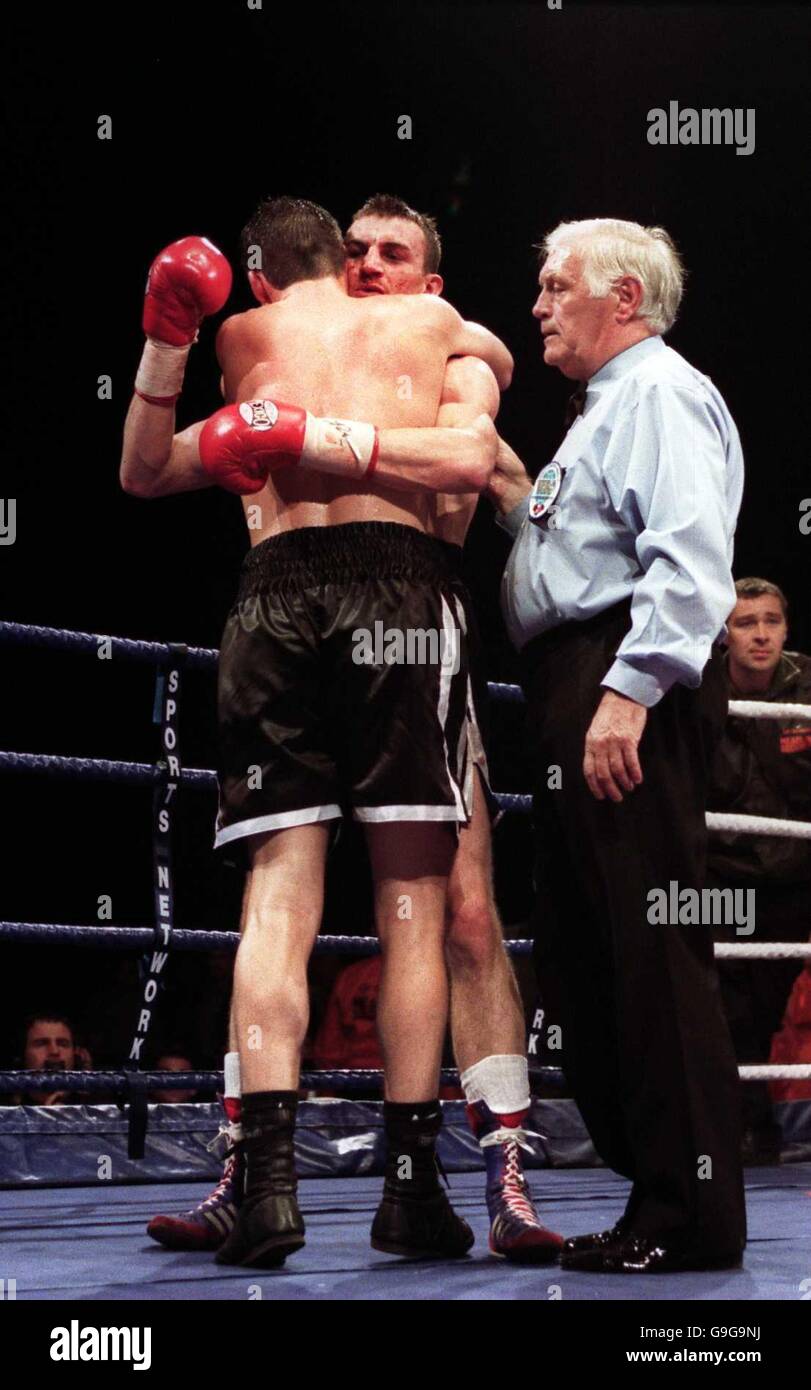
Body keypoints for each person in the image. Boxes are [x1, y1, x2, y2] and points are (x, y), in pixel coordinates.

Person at [123, 196, 555, 1268]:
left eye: (392, 253)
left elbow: (473, 465)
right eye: (354, 250)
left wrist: (302, 433)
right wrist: (169, 349)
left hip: (409, 602)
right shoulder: (286, 340)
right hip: (341, 607)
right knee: (337, 898)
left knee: (455, 909)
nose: (367, 267)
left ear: (430, 274)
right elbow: (151, 470)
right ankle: (275, 1177)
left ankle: (485, 1164)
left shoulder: (457, 343)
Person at [495, 217, 747, 1273]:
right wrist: (508, 491)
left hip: (619, 680)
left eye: (557, 287)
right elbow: (572, 548)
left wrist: (627, 692)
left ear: (623, 300)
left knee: (649, 956)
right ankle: (655, 1194)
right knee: (586, 958)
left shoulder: (658, 391)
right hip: (575, 681)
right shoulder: (599, 412)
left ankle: (686, 1219)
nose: (540, 305)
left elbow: (688, 558)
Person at [707, 577, 811, 1162]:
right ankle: (736, 1126)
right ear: (724, 633)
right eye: (747, 623)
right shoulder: (695, 688)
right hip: (721, 872)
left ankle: (758, 1123)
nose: (762, 634)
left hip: (795, 872)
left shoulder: (809, 685)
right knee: (724, 1003)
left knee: (770, 1006)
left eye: (772, 620)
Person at [17, 1013, 89, 1105]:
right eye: (41, 1043)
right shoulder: (6, 1114)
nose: (54, 1051)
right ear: (23, 1054)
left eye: (63, 1044)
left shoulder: (99, 1111)